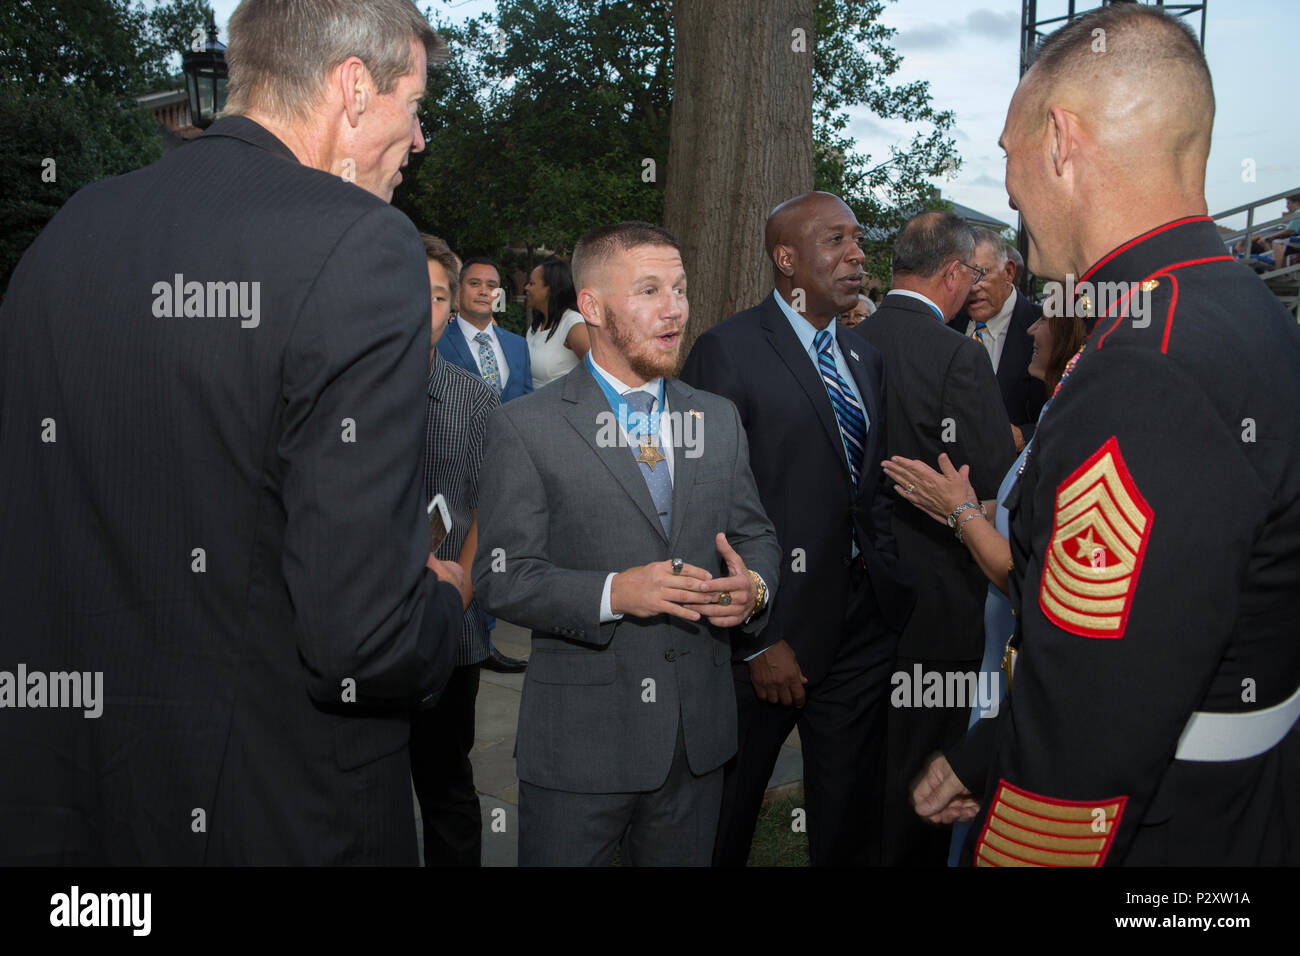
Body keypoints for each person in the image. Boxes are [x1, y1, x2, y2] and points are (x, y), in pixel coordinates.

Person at [0, 0, 464, 865]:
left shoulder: (70, 233)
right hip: (276, 813)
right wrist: (446, 604)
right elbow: (362, 639)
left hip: (75, 808)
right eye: (416, 106)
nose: (420, 139)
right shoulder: (360, 245)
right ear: (354, 89)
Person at [914, 3, 1300, 866]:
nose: (1008, 185)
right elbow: (1159, 630)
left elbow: (1094, 710)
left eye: (1008, 154)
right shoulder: (1235, 308)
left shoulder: (1147, 359)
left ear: (1059, 140)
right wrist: (989, 749)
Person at [473, 221, 780, 866]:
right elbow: (503, 577)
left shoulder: (715, 417)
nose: (674, 309)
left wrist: (752, 589)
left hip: (696, 745)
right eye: (648, 290)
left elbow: (755, 532)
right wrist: (616, 592)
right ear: (592, 307)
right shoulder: (524, 427)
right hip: (580, 749)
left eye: (680, 288)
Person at [680, 192, 914, 867]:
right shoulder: (726, 351)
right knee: (725, 817)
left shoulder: (865, 359)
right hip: (767, 636)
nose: (857, 254)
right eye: (835, 241)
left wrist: (885, 584)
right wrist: (757, 639)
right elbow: (702, 507)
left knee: (845, 817)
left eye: (858, 240)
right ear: (786, 259)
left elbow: (869, 493)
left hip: (862, 629)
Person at [881, 309, 1085, 863]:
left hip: (1018, 651)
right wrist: (975, 507)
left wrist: (961, 514)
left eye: (1044, 321)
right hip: (1003, 654)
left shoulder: (1072, 421)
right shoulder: (1058, 413)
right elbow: (1028, 520)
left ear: (1070, 334)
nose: (1030, 331)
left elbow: (1027, 573)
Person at [850, 210, 1018, 866]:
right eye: (973, 274)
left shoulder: (844, 340)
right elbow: (997, 486)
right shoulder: (957, 356)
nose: (974, 287)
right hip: (941, 597)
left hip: (861, 588)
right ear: (951, 272)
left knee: (864, 756)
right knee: (928, 766)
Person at [409, 234, 500, 866]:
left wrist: (463, 586)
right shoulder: (327, 393)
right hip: (351, 627)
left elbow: (489, 508)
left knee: (445, 787)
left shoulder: (472, 400)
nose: (423, 308)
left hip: (450, 629)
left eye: (438, 295)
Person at [437, 255, 533, 673]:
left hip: (507, 465)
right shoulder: (438, 338)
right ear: (458, 292)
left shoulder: (516, 344)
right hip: (455, 465)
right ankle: (460, 630)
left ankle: (486, 637)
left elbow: (527, 402)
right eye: (473, 282)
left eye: (491, 284)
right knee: (462, 544)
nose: (483, 290)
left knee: (497, 548)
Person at [948, 229, 1046, 452]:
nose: (972, 288)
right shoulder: (946, 325)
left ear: (1009, 271)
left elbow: (1068, 413)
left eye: (981, 273)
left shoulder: (1046, 328)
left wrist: (1026, 436)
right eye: (963, 276)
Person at [524, 257, 589, 387]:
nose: (526, 288)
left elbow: (601, 373)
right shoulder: (536, 326)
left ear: (549, 288)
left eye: (532, 283)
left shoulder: (574, 326)